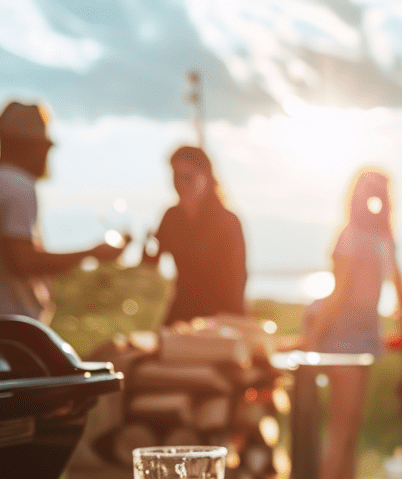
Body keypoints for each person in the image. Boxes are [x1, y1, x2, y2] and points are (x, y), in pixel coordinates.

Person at [297, 168, 402, 479]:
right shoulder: (352, 235)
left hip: (364, 335)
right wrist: (312, 337)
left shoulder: (383, 236)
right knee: (342, 427)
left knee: (349, 427)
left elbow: (398, 287)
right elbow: (340, 292)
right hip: (344, 336)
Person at [0, 101, 122, 324]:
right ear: (35, 146)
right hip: (15, 328)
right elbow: (24, 262)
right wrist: (90, 253)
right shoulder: (18, 186)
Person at [145, 146, 246, 325]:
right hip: (181, 314)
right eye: (176, 176)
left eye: (188, 177)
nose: (180, 184)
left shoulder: (228, 222)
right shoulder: (171, 217)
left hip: (221, 317)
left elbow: (238, 280)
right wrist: (144, 242)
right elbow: (150, 263)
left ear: (206, 177)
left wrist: (226, 323)